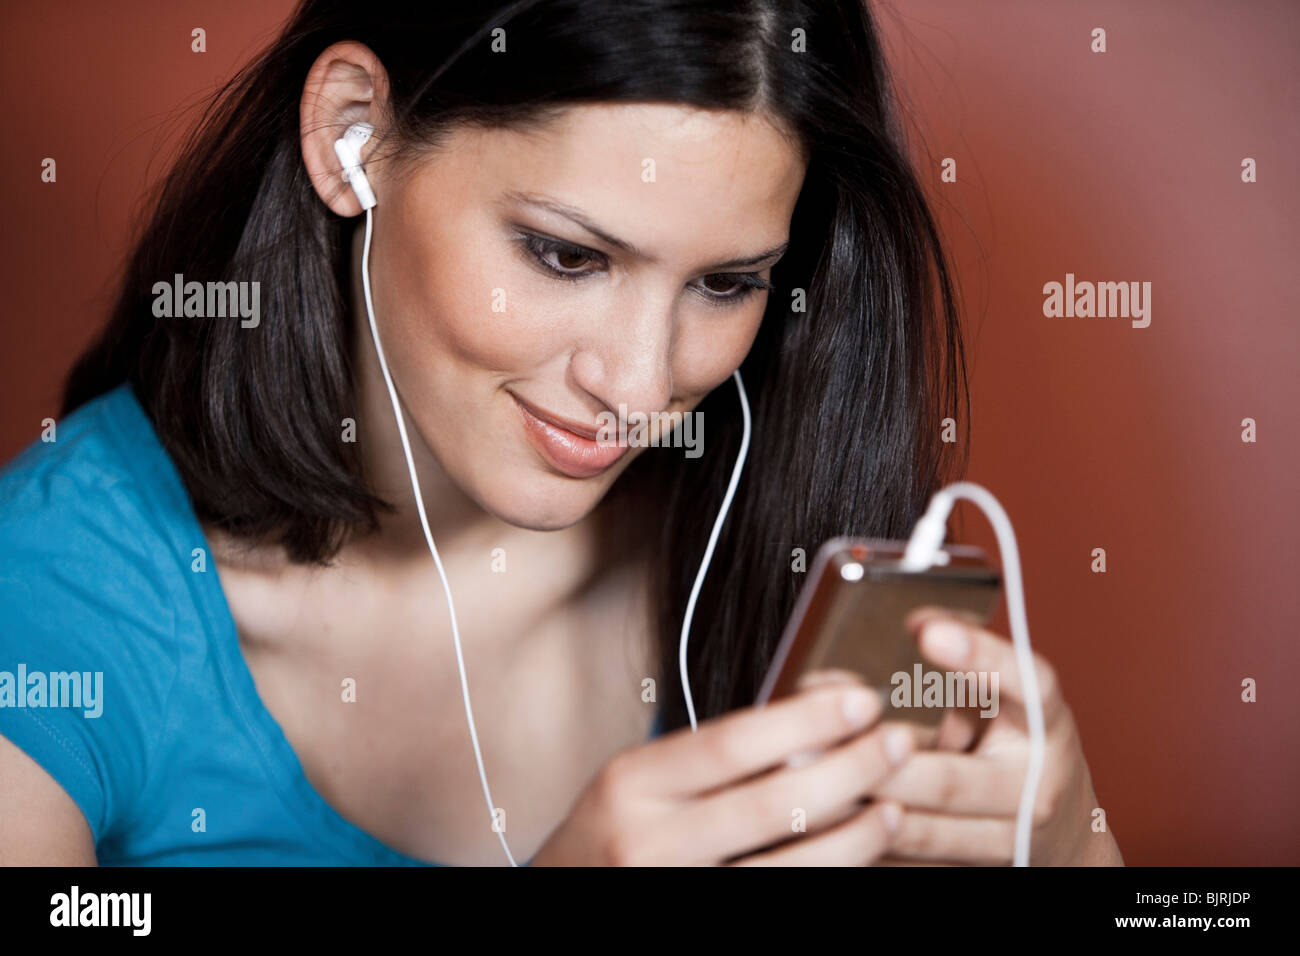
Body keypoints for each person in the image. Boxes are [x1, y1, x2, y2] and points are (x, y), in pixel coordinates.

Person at [0, 0, 1122, 866]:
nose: (638, 385)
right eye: (566, 255)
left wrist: (1074, 848)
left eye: (726, 283)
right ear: (355, 138)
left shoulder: (768, 527)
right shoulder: (56, 597)